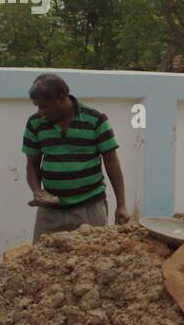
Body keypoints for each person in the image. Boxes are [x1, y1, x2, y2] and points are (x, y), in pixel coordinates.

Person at [23, 74, 130, 242]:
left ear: (61, 98)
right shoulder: (35, 123)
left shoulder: (95, 119)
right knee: (42, 263)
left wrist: (121, 205)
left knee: (91, 260)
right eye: (37, 106)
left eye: (44, 106)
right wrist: (37, 191)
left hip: (90, 209)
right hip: (50, 212)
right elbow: (32, 165)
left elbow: (112, 162)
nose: (40, 111)